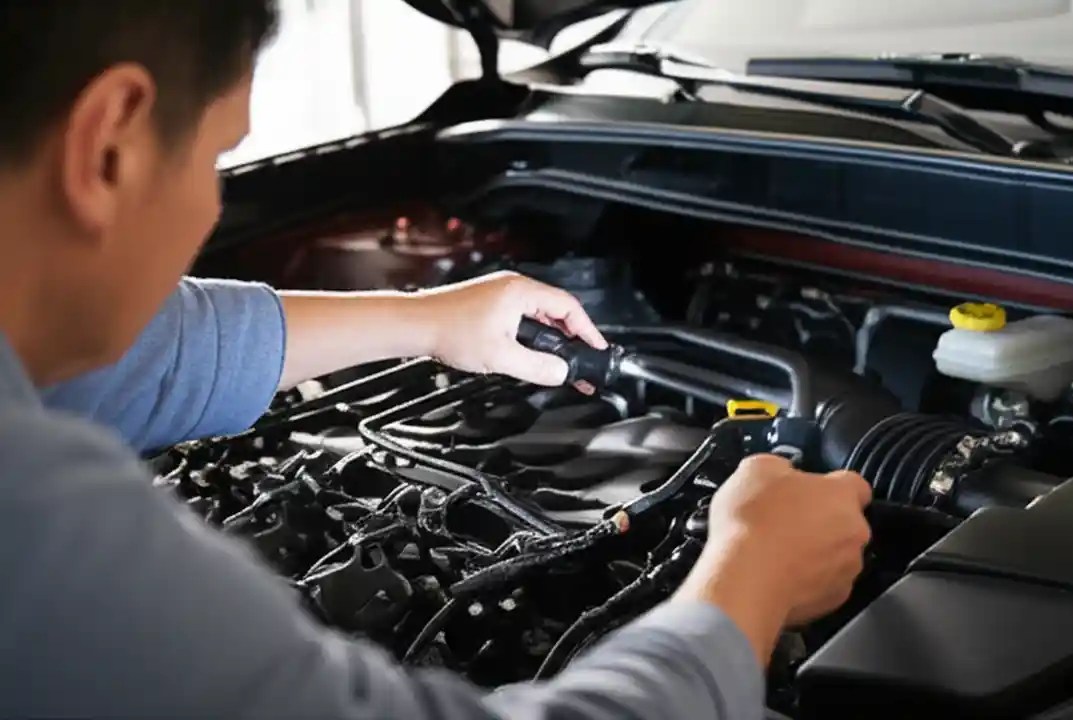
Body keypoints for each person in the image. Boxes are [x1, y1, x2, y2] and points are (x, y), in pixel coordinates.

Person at [0, 1, 873, 718]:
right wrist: (749, 583)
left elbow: (131, 363)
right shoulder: (37, 526)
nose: (211, 205)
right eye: (218, 157)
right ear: (106, 145)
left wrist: (431, 321)